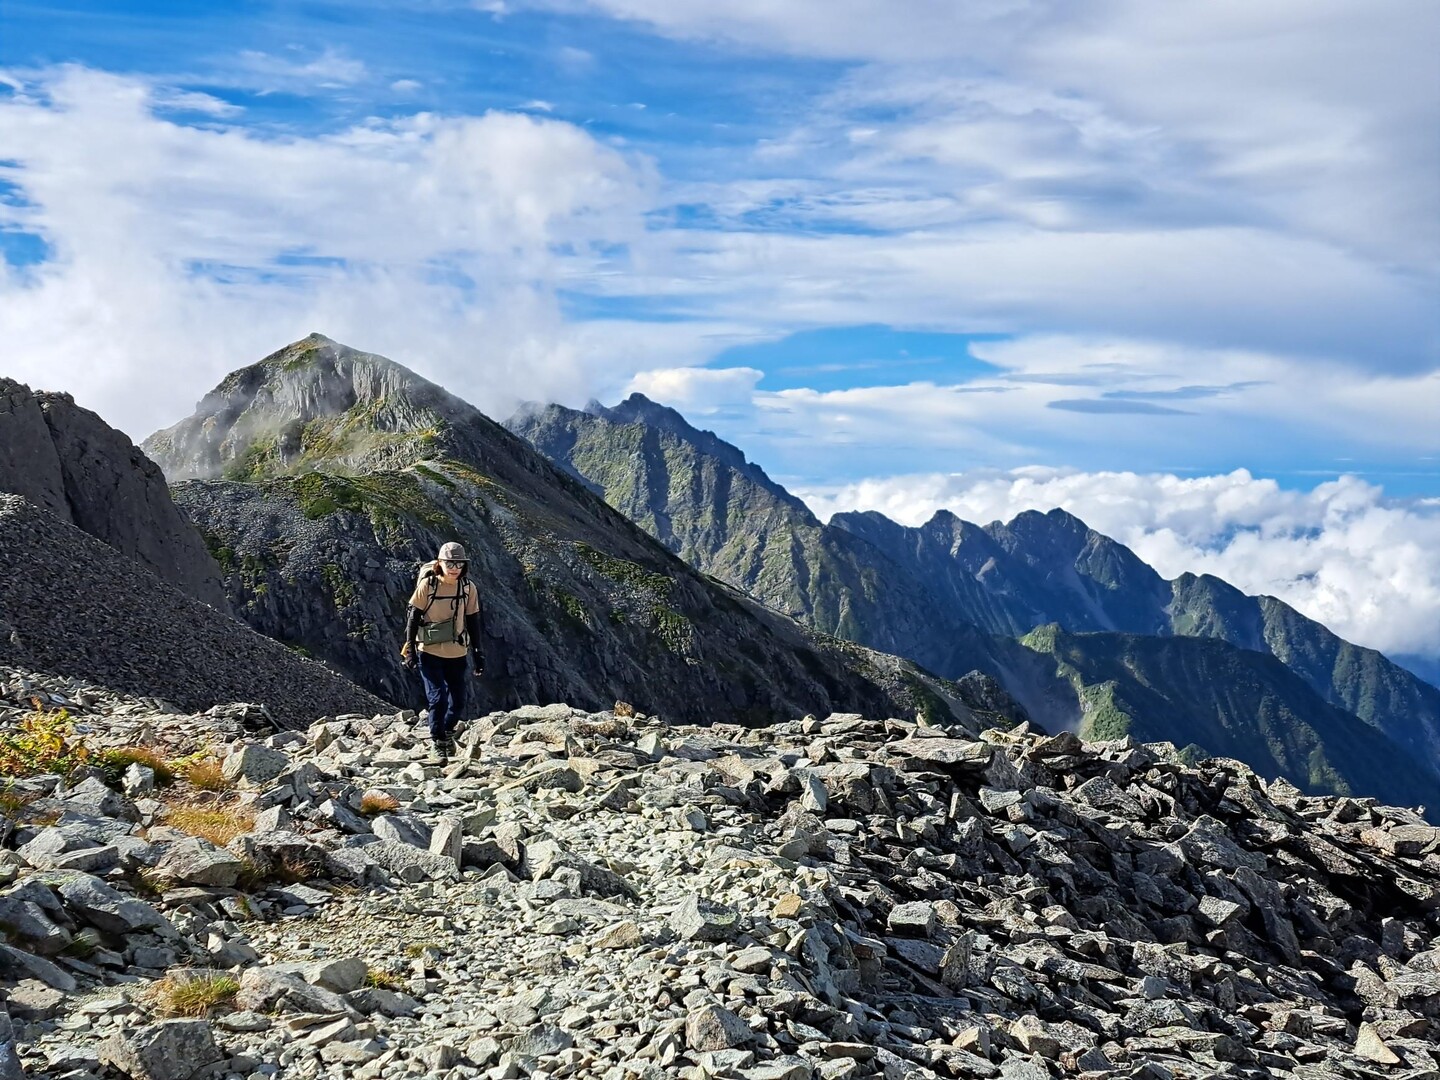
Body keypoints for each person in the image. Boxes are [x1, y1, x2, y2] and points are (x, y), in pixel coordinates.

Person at [401, 541, 484, 762]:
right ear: (440, 563)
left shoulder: (468, 588)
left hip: (457, 652)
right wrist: (410, 649)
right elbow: (413, 618)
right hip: (428, 651)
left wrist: (477, 652)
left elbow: (473, 620)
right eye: (450, 563)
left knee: (458, 701)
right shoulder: (428, 586)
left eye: (459, 563)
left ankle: (446, 733)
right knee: (437, 699)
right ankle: (437, 742)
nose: (454, 567)